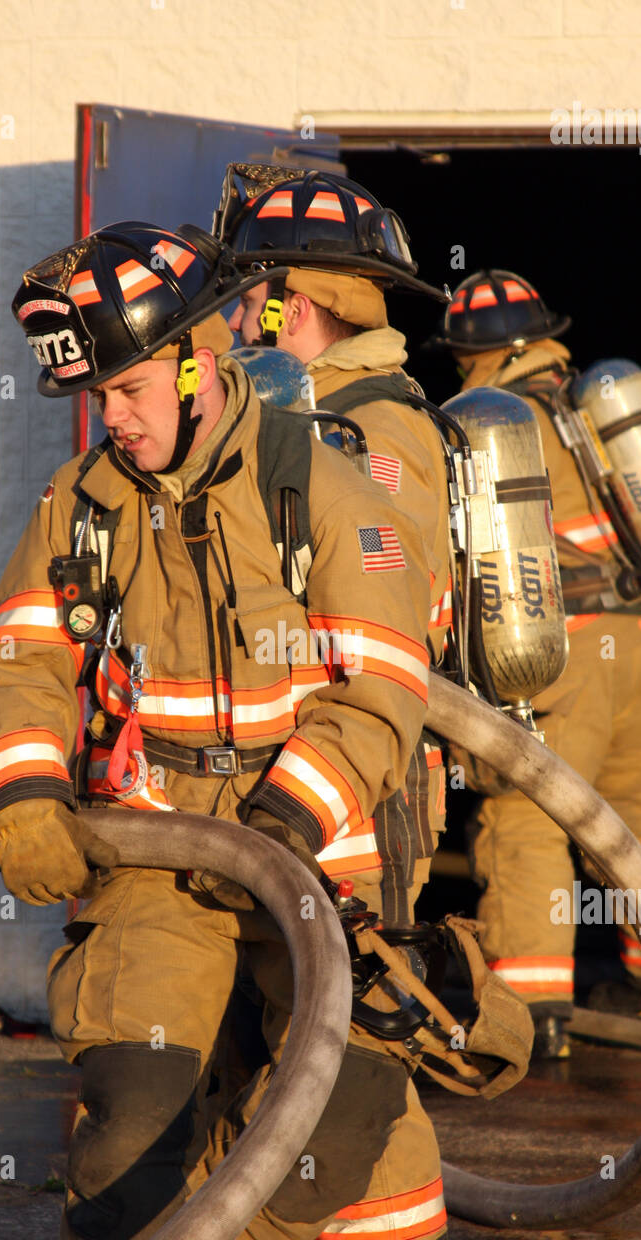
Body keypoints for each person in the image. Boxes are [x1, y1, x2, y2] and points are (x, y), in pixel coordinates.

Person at [0, 220, 448, 1240]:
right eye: (98, 400)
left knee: (346, 1109)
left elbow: (381, 691)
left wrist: (282, 827)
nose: (114, 419)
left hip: (315, 848)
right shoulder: (82, 506)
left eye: (128, 388)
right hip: (153, 848)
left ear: (197, 361)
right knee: (132, 1122)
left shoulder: (326, 496)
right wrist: (29, 794)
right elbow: (21, 660)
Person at [433, 269, 641, 1058]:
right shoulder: (590, 403)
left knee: (526, 818)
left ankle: (532, 1010)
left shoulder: (490, 420)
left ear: (471, 354)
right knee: (636, 817)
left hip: (562, 651)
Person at [219, 164, 453, 927]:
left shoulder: (374, 431)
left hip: (357, 790)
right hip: (292, 771)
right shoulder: (311, 417)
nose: (233, 325)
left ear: (292, 310)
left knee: (350, 1026)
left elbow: (396, 616)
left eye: (248, 302)